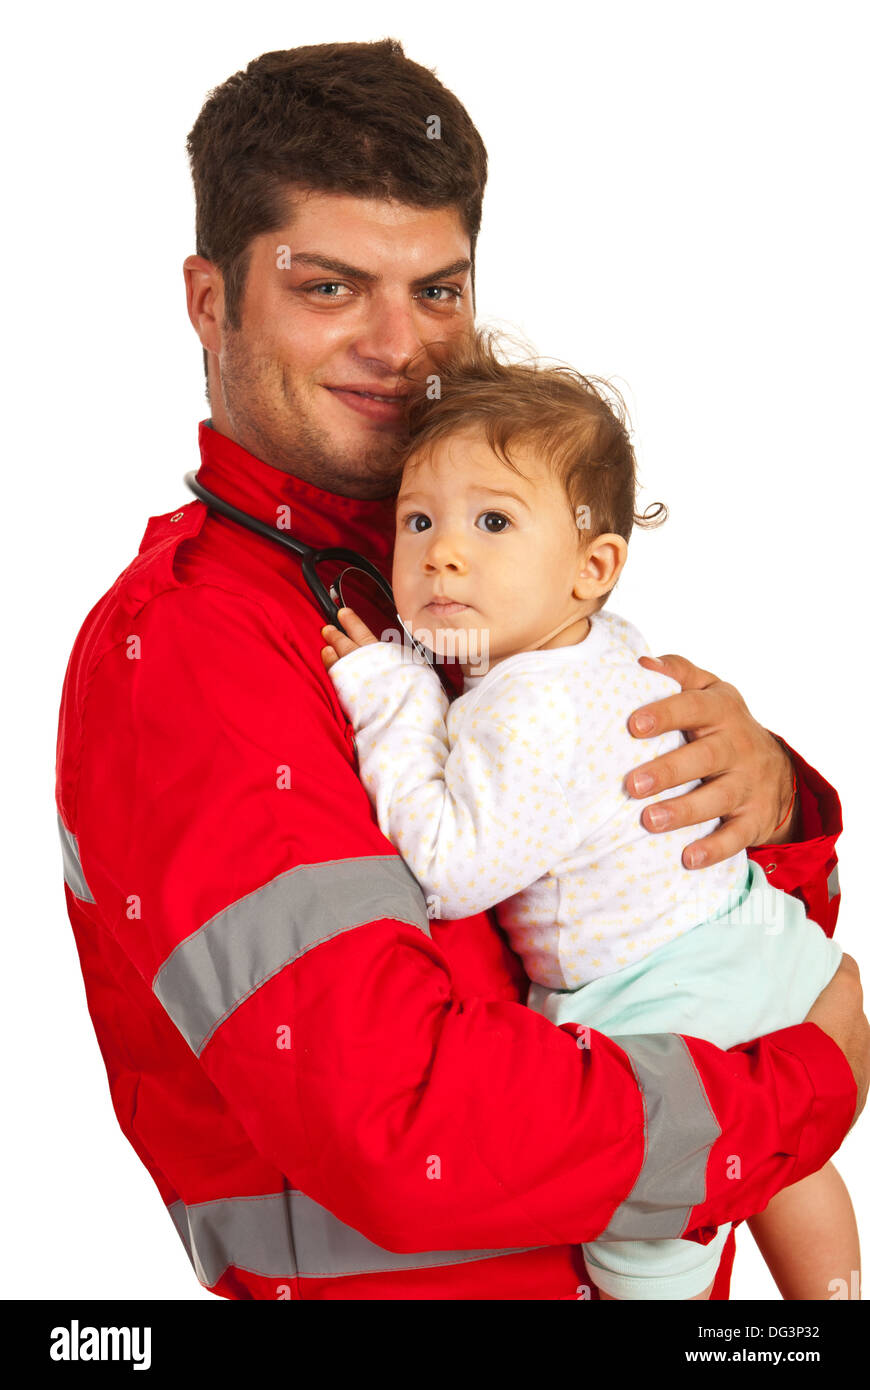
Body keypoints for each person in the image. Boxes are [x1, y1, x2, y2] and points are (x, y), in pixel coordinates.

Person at [55, 40, 866, 1300]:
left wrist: (765, 794)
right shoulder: (198, 651)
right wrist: (805, 1083)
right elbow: (398, 1120)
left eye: (437, 290)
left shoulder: (454, 563)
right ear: (211, 301)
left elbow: (656, 918)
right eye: (330, 286)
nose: (400, 344)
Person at [320, 327, 862, 1300]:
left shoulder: (532, 709)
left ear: (592, 564)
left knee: (649, 1231)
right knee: (793, 1160)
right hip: (750, 938)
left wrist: (393, 697)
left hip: (657, 998)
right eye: (416, 522)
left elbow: (448, 868)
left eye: (492, 525)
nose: (442, 555)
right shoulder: (599, 644)